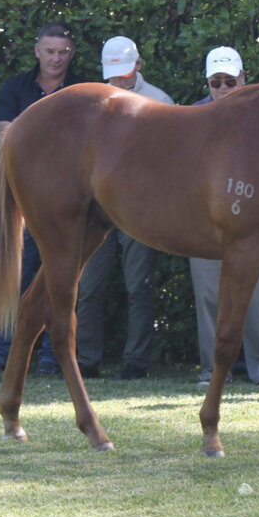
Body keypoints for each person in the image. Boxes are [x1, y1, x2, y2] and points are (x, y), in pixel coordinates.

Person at [0, 22, 86, 375]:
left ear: (72, 54)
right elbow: (3, 134)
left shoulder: (82, 91)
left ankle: (52, 358)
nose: (56, 59)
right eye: (50, 51)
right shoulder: (16, 87)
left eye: (63, 52)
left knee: (59, 276)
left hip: (68, 202)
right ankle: (5, 353)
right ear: (37, 50)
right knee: (16, 271)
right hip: (25, 198)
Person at [73, 37, 174, 380]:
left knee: (139, 286)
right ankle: (85, 360)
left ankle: (136, 362)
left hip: (140, 211)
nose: (119, 80)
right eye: (113, 75)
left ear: (139, 65)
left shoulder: (160, 102)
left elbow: (170, 164)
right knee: (88, 286)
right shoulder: (92, 102)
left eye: (125, 73)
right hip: (98, 209)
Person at [189, 46, 259, 387]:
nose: (224, 88)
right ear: (207, 83)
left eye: (230, 81)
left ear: (243, 77)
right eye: (216, 82)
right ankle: (214, 370)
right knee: (208, 296)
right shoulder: (192, 118)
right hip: (206, 222)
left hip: (258, 221)